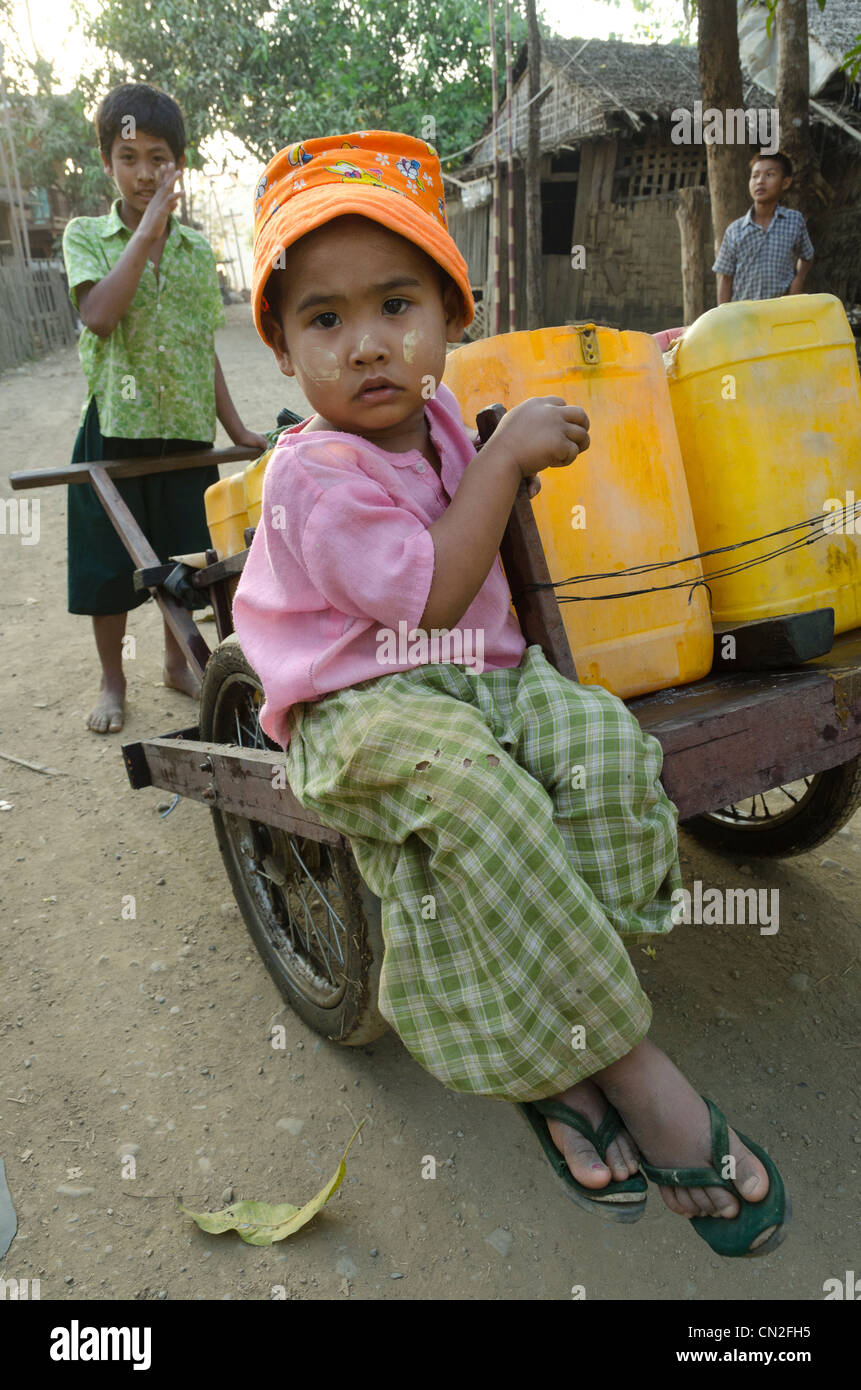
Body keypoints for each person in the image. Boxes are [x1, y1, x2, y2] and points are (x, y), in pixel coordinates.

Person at [232, 130, 789, 1257]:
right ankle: (628, 1065)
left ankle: (550, 1040)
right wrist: (509, 459)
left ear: (452, 314)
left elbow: (472, 621)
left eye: (398, 305)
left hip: (482, 675)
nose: (370, 345)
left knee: (606, 751)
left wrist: (493, 450)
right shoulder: (311, 474)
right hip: (360, 704)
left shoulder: (440, 418)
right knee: (481, 802)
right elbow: (426, 596)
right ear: (286, 356)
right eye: (325, 320)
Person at [62, 82, 267, 734]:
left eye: (158, 157)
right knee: (107, 572)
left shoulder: (194, 251)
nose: (144, 172)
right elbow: (98, 316)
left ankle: (180, 665)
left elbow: (199, 344)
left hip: (182, 433)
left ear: (178, 164)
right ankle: (112, 680)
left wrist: (234, 428)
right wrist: (146, 232)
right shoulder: (87, 235)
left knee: (187, 567)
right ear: (106, 162)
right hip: (115, 432)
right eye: (129, 157)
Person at [713, 150, 814, 304]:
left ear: (785, 183)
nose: (760, 181)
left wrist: (798, 280)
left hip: (780, 311)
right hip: (744, 315)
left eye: (769, 175)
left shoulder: (794, 221)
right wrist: (723, 316)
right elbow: (725, 278)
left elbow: (807, 256)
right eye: (755, 176)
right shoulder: (735, 230)